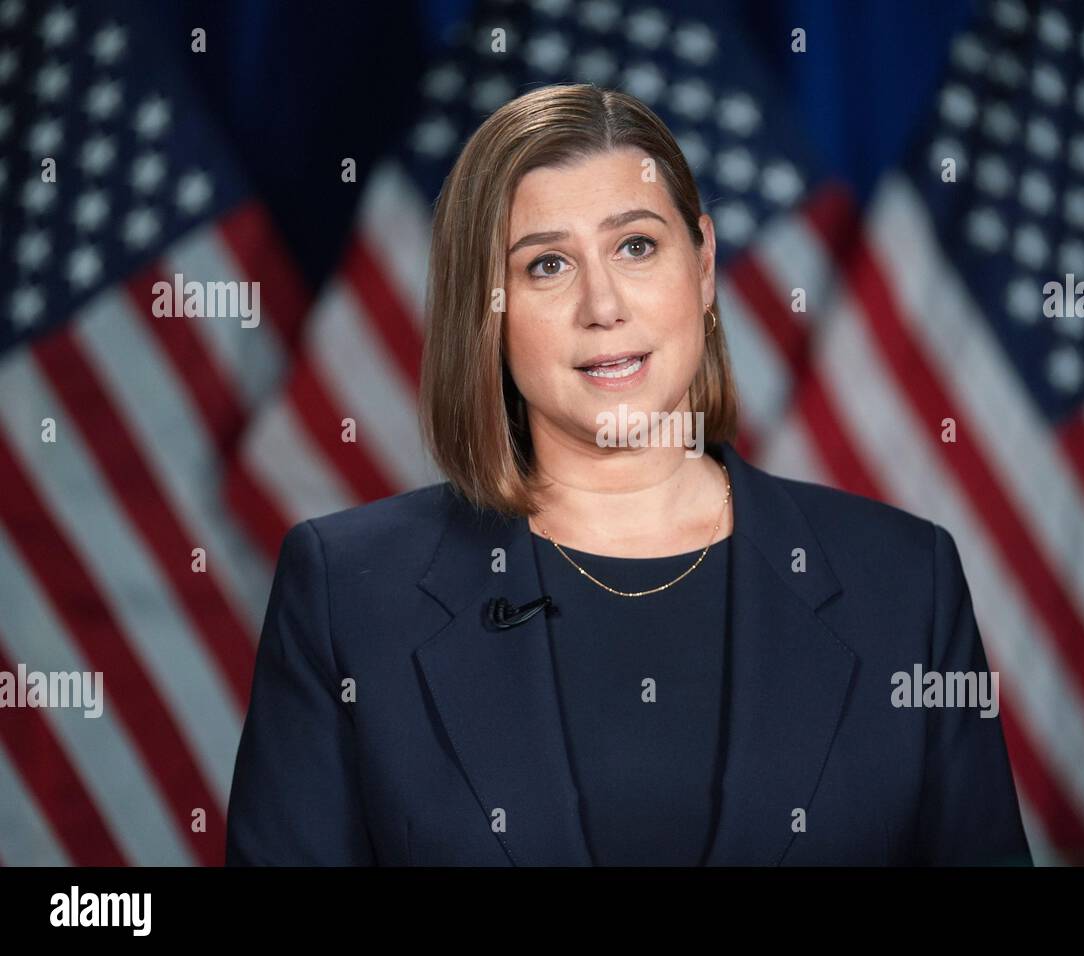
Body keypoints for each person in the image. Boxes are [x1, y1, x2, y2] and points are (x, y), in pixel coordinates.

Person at [226, 83, 1032, 867]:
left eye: (636, 246)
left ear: (704, 264)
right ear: (488, 308)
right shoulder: (349, 593)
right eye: (546, 266)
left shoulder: (903, 581)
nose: (603, 303)